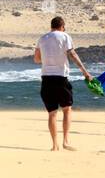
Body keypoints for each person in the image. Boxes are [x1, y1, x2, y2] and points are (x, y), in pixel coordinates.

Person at [34, 16, 90, 151]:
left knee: (52, 113)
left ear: (51, 26)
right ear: (62, 26)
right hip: (61, 77)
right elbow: (73, 54)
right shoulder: (65, 36)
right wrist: (85, 72)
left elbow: (36, 59)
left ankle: (54, 145)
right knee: (66, 109)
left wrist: (48, 59)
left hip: (46, 78)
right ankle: (65, 141)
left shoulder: (42, 38)